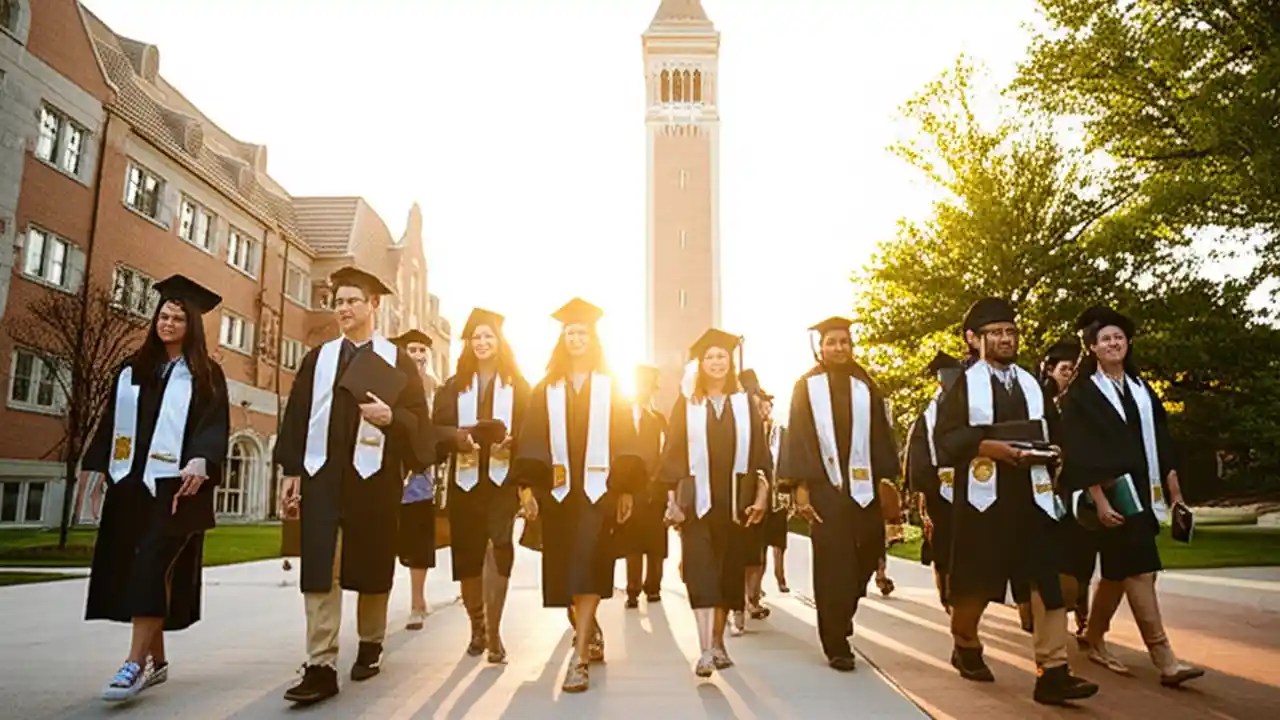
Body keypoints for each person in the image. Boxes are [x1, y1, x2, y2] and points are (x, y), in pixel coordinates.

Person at [274, 267, 432, 705]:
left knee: (372, 563)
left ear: (373, 305)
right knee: (322, 565)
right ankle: (320, 663)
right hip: (322, 476)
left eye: (351, 301)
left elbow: (420, 425)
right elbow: (298, 415)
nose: (342, 308)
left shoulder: (396, 360)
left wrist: (393, 419)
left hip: (375, 479)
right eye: (337, 301)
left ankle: (371, 642)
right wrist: (291, 471)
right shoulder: (318, 358)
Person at [933, 297, 1098, 705]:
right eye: (997, 333)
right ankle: (965, 643)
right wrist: (991, 447)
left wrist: (1056, 453)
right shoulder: (960, 387)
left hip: (1031, 500)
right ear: (974, 339)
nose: (1007, 339)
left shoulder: (1031, 384)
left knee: (1051, 583)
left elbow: (1052, 430)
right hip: (982, 504)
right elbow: (946, 442)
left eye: (1011, 331)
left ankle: (1052, 671)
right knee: (973, 589)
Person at [84, 275, 230, 702]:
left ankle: (133, 663)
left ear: (192, 327)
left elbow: (215, 425)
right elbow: (110, 423)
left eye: (177, 319)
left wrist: (202, 458)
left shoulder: (206, 374)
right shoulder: (132, 369)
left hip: (179, 490)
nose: (167, 323)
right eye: (163, 316)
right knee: (146, 569)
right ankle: (157, 662)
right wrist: (95, 470)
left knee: (151, 564)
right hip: (131, 486)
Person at [1060, 306, 1203, 687]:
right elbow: (1080, 451)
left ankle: (1091, 637)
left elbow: (1164, 443)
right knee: (1140, 569)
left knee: (1121, 573)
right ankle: (1165, 658)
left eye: (1118, 337)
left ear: (1128, 343)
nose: (1113, 343)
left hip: (1145, 491)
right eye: (1105, 338)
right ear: (1092, 347)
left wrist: (1175, 496)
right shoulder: (1082, 394)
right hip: (1112, 496)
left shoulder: (1142, 389)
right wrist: (1102, 502)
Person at [512, 298, 645, 693]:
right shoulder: (545, 389)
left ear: (593, 338)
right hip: (557, 496)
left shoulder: (611, 387)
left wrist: (624, 489)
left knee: (589, 564)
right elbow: (531, 440)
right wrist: (525, 489)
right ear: (562, 339)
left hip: (597, 494)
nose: (576, 338)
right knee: (567, 572)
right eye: (570, 332)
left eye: (582, 332)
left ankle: (580, 655)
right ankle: (587, 627)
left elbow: (624, 440)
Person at [782, 316, 900, 672]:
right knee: (834, 566)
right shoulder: (806, 386)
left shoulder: (866, 384)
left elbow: (881, 434)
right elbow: (799, 437)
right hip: (826, 488)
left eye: (844, 341)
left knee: (867, 556)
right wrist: (801, 489)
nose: (838, 347)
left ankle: (843, 611)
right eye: (831, 342)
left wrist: (886, 482)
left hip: (863, 489)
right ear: (820, 347)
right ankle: (836, 642)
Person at [661, 330, 771, 676]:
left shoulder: (744, 405)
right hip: (697, 505)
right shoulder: (687, 404)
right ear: (701, 363)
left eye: (722, 356)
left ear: (731, 362)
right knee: (701, 572)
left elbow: (759, 456)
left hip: (735, 505)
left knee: (726, 574)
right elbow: (673, 453)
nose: (717, 362)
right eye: (710, 357)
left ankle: (718, 642)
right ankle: (706, 649)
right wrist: (672, 502)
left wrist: (762, 497)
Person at [431, 308, 530, 663]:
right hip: (465, 481)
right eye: (477, 337)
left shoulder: (519, 388)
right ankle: (477, 626)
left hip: (502, 484)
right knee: (469, 555)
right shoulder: (453, 387)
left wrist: (514, 443)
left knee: (499, 548)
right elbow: (435, 431)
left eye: (489, 336)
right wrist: (456, 437)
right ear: (469, 344)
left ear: (500, 342)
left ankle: (495, 632)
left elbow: (533, 434)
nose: (483, 343)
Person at [1038, 338, 1093, 641]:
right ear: (1048, 369)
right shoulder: (1038, 402)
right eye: (1064, 369)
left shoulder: (1083, 405)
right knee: (1056, 563)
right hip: (1049, 493)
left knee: (1083, 560)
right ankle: (1048, 618)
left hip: (1077, 493)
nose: (1069, 375)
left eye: (1073, 369)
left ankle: (1084, 619)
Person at [904, 351, 964, 611]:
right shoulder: (928, 414)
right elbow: (918, 454)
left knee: (964, 543)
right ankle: (947, 593)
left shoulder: (971, 408)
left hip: (970, 485)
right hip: (938, 487)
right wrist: (924, 492)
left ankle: (961, 591)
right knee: (942, 543)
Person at [392, 329, 439, 632]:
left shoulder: (436, 388)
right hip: (391, 469)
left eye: (422, 350)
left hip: (421, 473)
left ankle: (416, 603)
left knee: (419, 540)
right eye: (412, 349)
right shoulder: (391, 383)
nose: (418, 356)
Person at [730, 368, 774, 634]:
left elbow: (764, 462)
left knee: (756, 553)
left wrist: (764, 493)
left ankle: (751, 599)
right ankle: (738, 605)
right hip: (733, 492)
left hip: (757, 489)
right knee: (736, 554)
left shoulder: (770, 427)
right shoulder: (735, 417)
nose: (761, 408)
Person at [623, 365, 668, 608]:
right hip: (632, 488)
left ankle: (653, 587)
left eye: (647, 386)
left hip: (656, 489)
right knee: (633, 543)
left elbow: (666, 453)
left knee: (656, 543)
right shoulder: (623, 415)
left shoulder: (659, 419)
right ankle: (632, 589)